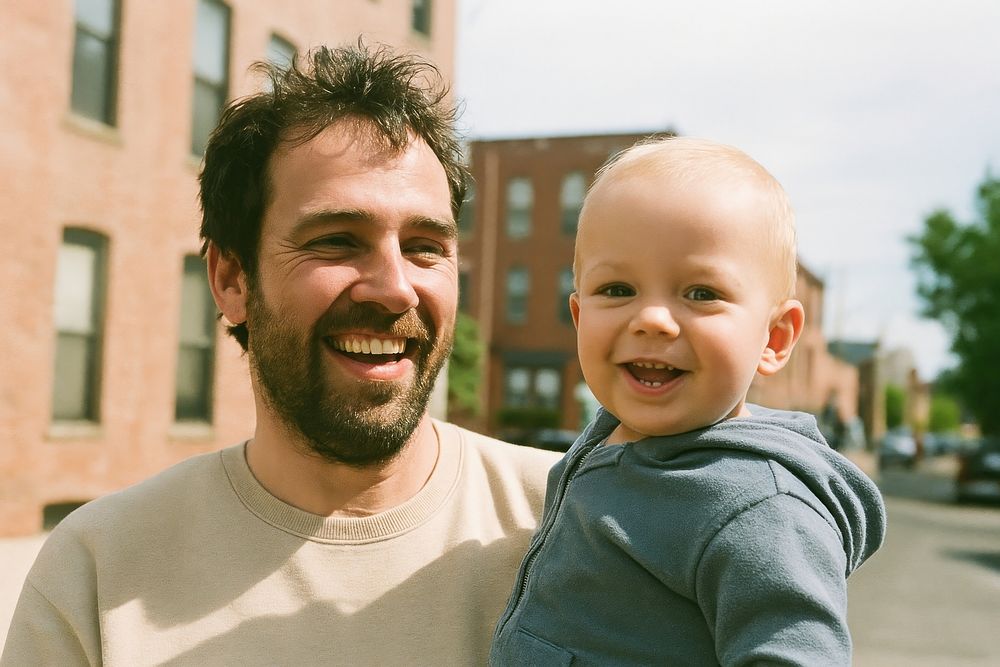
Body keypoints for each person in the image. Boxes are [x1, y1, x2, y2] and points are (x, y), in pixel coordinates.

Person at [3, 43, 558, 666]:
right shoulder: (99, 570)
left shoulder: (575, 525)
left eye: (425, 246)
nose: (397, 286)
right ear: (232, 279)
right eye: (336, 240)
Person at [490, 137, 887, 666]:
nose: (652, 318)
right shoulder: (607, 440)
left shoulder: (760, 508)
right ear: (579, 317)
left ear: (774, 339)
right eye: (617, 289)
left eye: (700, 293)